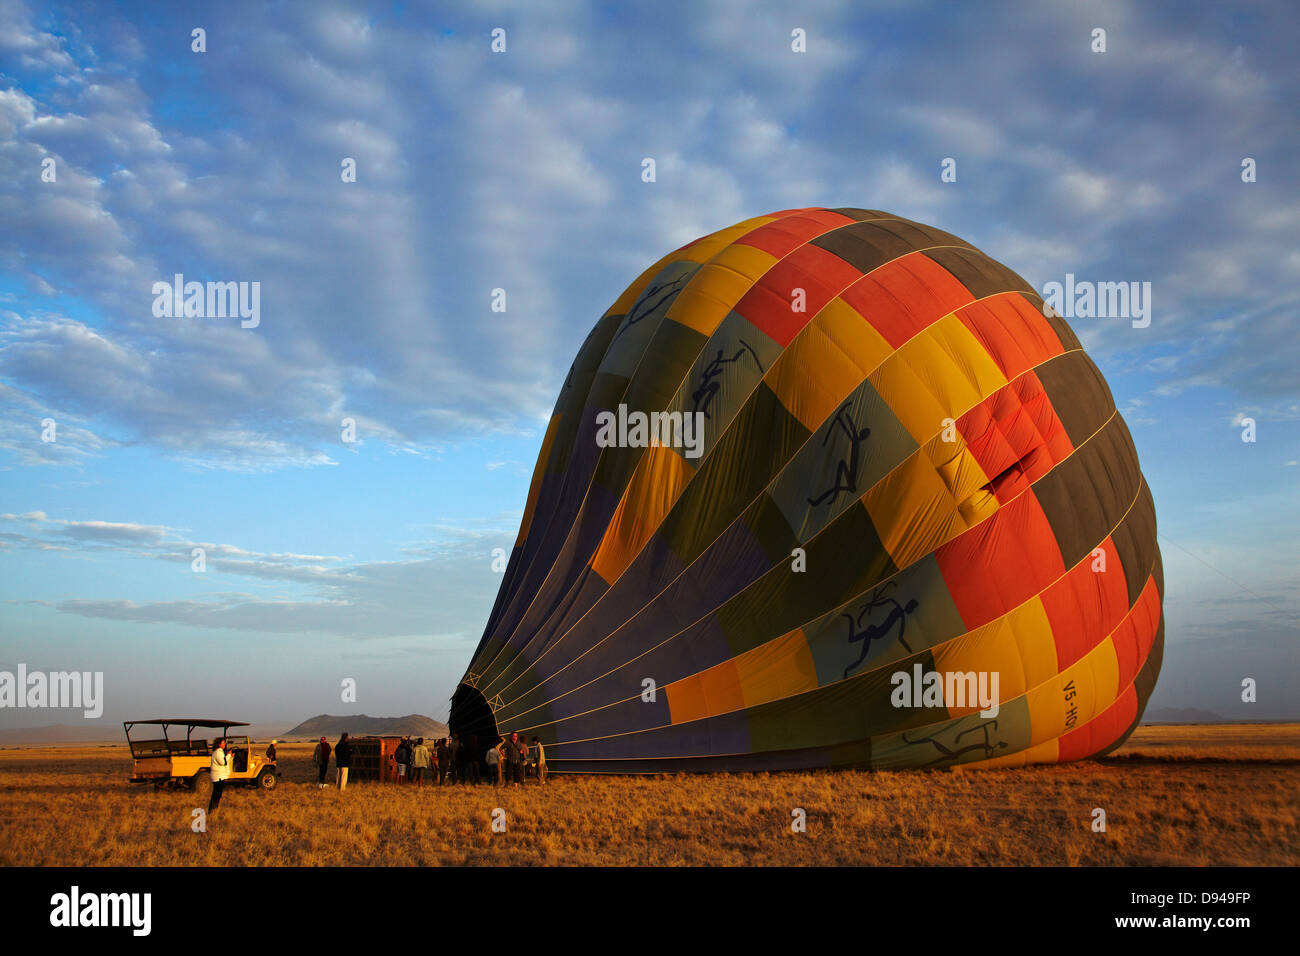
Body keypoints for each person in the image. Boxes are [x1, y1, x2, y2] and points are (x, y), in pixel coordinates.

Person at [209, 736, 230, 815]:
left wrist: (229, 756)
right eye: (223, 743)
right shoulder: (218, 752)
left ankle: (213, 810)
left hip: (219, 776)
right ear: (219, 744)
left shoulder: (217, 752)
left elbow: (224, 762)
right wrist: (228, 755)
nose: (224, 744)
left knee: (217, 794)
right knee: (216, 794)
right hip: (218, 777)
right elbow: (223, 762)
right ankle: (212, 810)